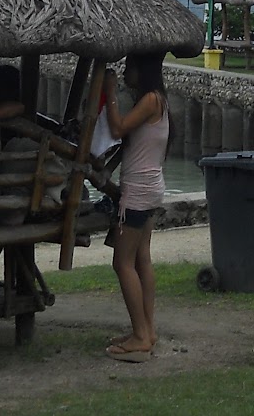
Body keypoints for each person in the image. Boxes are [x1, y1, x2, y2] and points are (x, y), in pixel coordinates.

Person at [103, 52, 169, 362]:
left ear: (140, 70)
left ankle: (141, 336)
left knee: (122, 262)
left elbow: (117, 129)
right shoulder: (159, 100)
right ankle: (146, 330)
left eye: (129, 65)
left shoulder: (150, 101)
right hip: (151, 187)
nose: (125, 70)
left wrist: (109, 92)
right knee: (142, 259)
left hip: (139, 192)